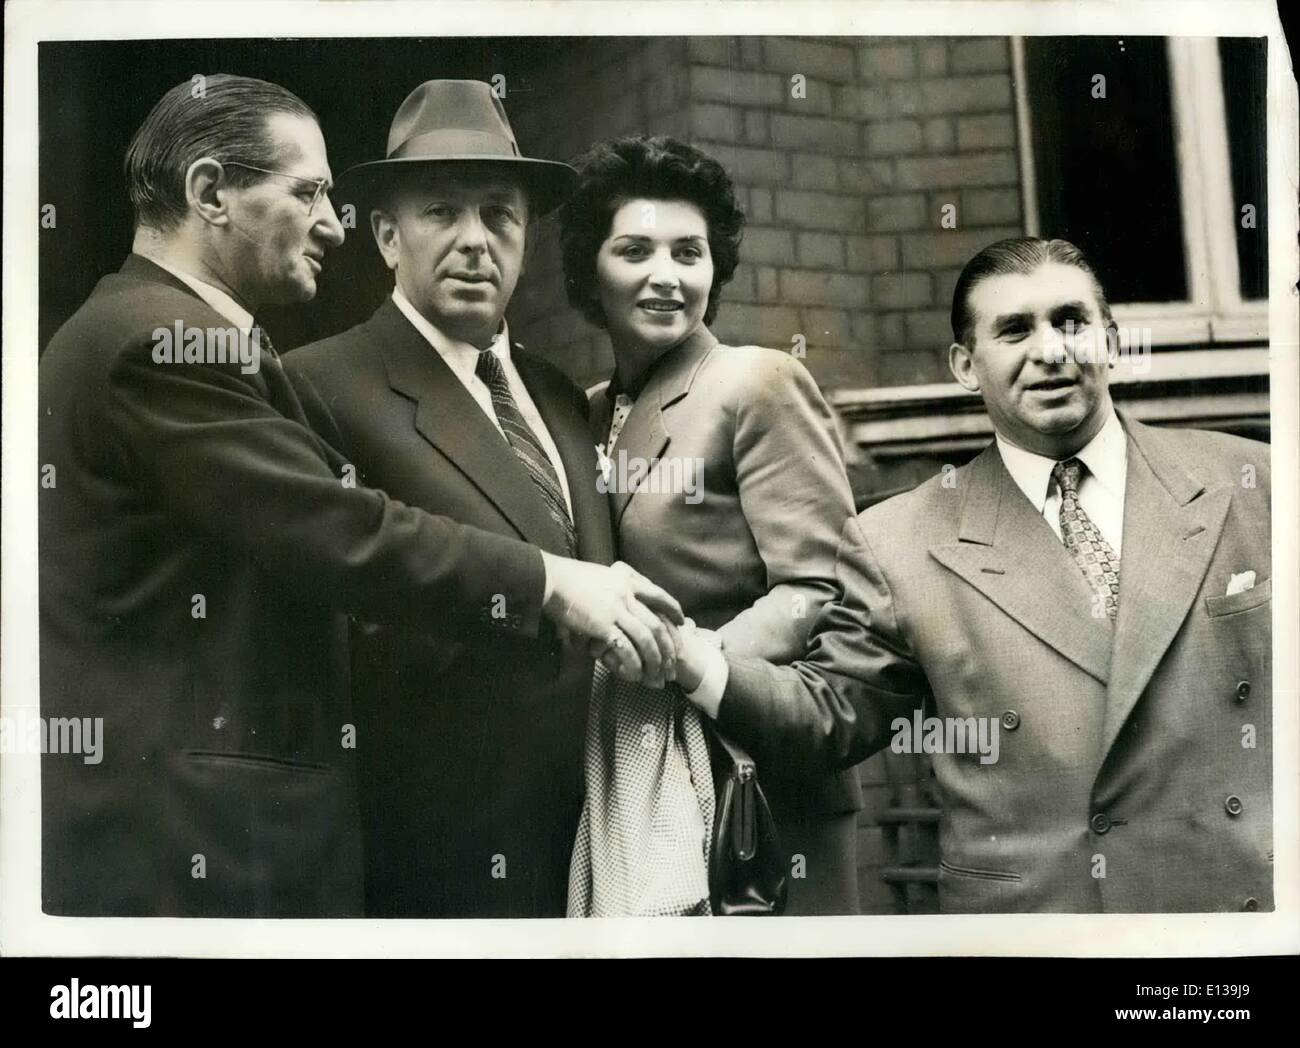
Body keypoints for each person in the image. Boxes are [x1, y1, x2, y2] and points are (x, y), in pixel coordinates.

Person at [39, 75, 681, 918]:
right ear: (208, 192)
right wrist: (556, 584)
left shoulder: (158, 332)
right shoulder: (157, 343)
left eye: (501, 214)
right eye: (307, 192)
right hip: (191, 843)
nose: (329, 224)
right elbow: (338, 530)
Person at [677, 236, 1273, 913]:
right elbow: (832, 716)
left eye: (1071, 321)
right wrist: (693, 662)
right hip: (1043, 927)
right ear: (966, 364)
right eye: (1015, 329)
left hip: (1237, 911)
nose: (1051, 350)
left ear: (1109, 338)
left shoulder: (1254, 483)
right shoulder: (901, 540)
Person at [284, 81, 680, 917]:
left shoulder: (559, 393)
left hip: (604, 839)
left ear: (527, 238)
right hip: (439, 857)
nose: (475, 242)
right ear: (388, 237)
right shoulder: (321, 384)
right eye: (441, 213)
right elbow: (334, 616)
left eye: (499, 216)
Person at [560, 136, 863, 916]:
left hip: (754, 776)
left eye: (689, 253)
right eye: (635, 250)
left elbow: (819, 586)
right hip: (627, 768)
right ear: (591, 270)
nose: (666, 276)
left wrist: (685, 660)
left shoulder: (754, 382)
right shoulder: (581, 414)